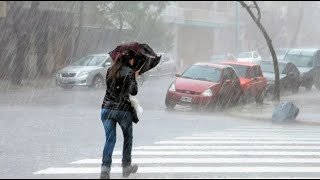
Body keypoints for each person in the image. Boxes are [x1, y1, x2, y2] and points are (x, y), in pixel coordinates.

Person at [100, 50, 139, 179]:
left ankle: (105, 169)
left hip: (106, 109)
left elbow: (111, 88)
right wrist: (134, 77)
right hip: (123, 110)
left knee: (110, 140)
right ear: (129, 60)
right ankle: (126, 166)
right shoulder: (129, 72)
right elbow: (133, 91)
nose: (134, 62)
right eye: (133, 59)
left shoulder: (110, 70)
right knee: (128, 138)